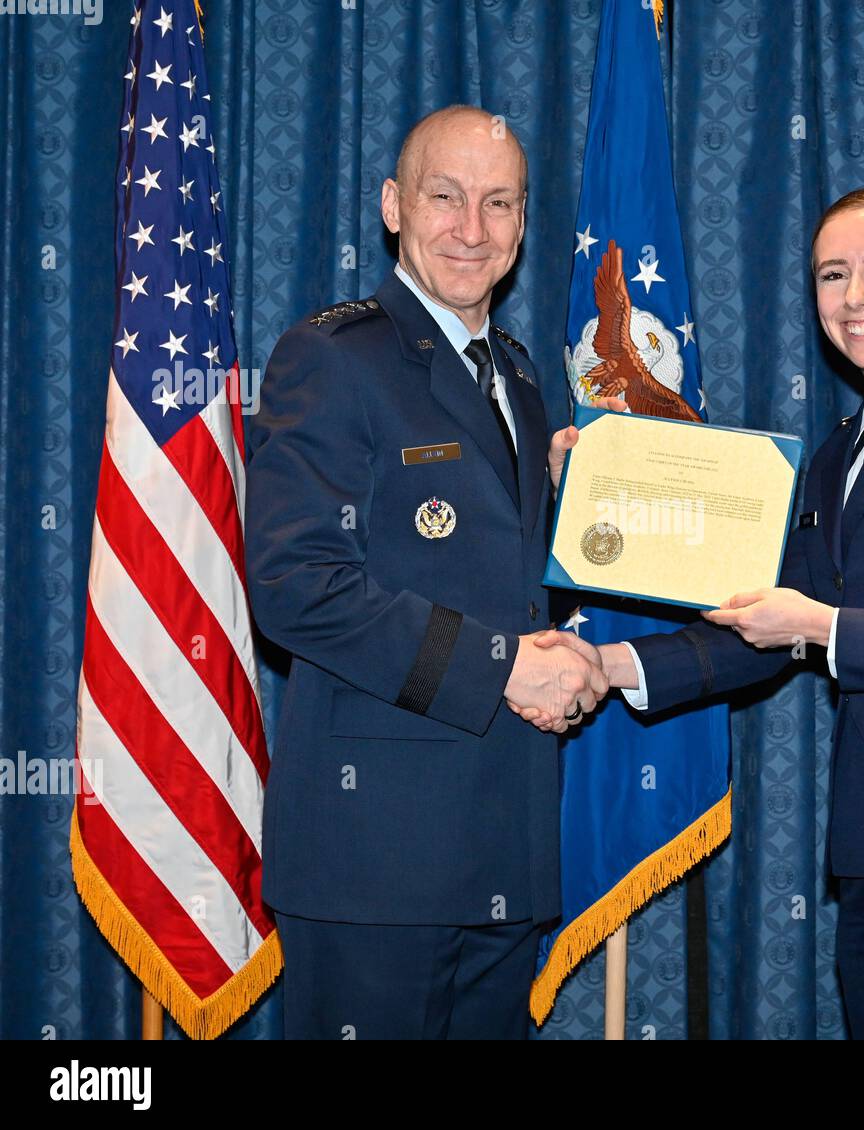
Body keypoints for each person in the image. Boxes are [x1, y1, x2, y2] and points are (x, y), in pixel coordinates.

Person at [524, 186, 864, 1039]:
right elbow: (759, 629)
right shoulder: (835, 457)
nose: (856, 297)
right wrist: (610, 663)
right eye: (833, 275)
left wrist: (820, 627)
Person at [244, 105, 612, 1040]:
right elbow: (297, 587)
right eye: (444, 198)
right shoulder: (331, 357)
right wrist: (506, 669)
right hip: (377, 863)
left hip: (502, 839)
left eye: (498, 204)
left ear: (524, 223)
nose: (472, 229)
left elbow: (494, 575)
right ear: (393, 208)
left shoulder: (522, 381)